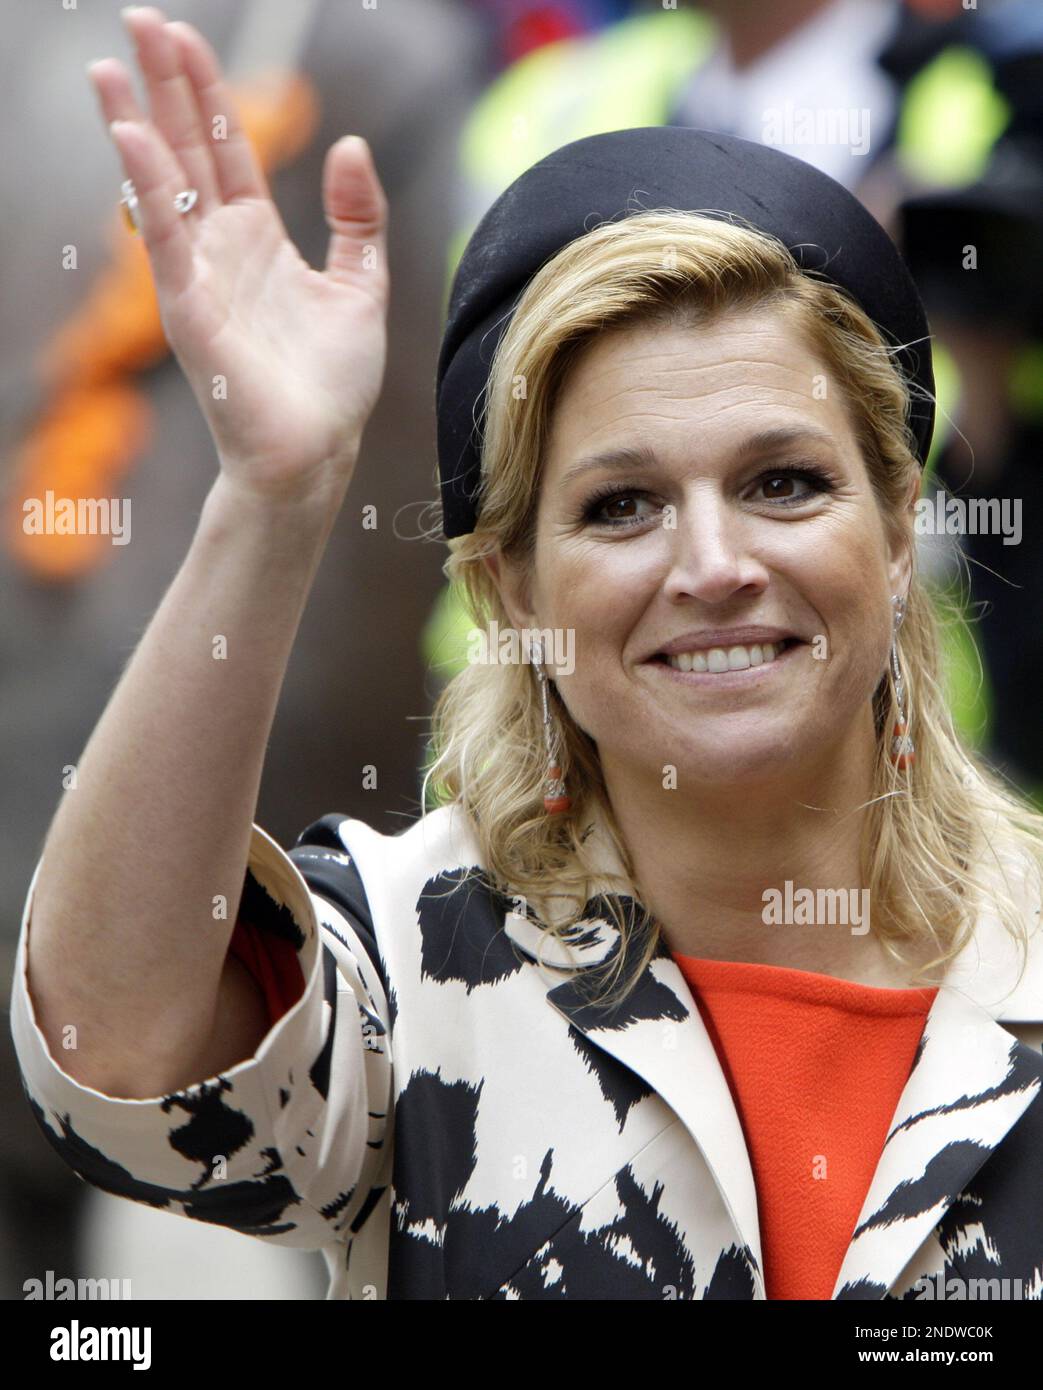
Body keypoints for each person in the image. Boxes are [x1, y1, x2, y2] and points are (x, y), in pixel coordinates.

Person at [10, 10, 1043, 1302]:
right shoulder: (407, 965)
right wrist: (275, 496)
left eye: (784, 481)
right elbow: (113, 1056)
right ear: (508, 586)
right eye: (620, 505)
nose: (712, 562)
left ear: (898, 534)